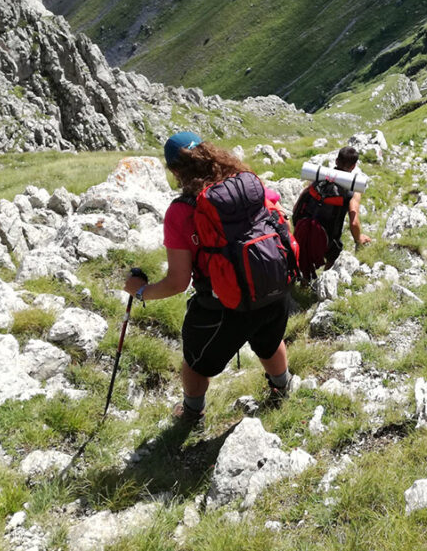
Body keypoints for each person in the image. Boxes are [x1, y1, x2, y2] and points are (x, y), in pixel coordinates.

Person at [122, 131, 295, 423]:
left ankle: (191, 414)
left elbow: (178, 282)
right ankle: (283, 388)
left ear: (176, 171)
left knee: (195, 364)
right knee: (269, 341)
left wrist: (140, 291)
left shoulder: (181, 211)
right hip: (273, 287)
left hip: (223, 305)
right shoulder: (248, 185)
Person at [292, 146, 372, 279]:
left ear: (336, 161)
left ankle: (304, 281)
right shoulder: (352, 191)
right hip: (327, 240)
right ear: (353, 166)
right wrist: (359, 239)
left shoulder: (318, 177)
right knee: (335, 253)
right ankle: (324, 280)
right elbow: (354, 223)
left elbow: (298, 206)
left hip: (303, 228)